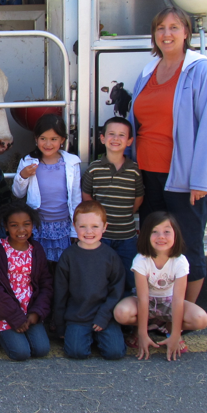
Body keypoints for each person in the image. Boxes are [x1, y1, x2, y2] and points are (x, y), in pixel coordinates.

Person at [128, 6, 207, 303]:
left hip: (184, 178)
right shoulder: (147, 72)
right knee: (153, 245)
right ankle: (158, 309)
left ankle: (183, 315)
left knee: (186, 245)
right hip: (149, 174)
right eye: (160, 28)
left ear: (186, 32)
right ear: (154, 35)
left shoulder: (200, 69)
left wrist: (200, 180)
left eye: (173, 27)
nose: (166, 34)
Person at [114, 212, 207, 360]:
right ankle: (143, 327)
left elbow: (178, 300)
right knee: (121, 313)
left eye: (167, 231)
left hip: (169, 302)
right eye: (154, 232)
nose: (161, 236)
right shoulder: (141, 260)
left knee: (201, 319)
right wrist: (142, 334)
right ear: (146, 235)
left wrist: (176, 335)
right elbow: (143, 298)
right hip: (148, 301)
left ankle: (170, 328)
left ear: (175, 235)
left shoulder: (180, 261)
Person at [53, 201, 126, 361]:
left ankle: (99, 337)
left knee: (115, 353)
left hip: (104, 315)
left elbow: (117, 289)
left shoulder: (110, 256)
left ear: (104, 227)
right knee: (76, 352)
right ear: (74, 226)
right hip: (78, 315)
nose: (89, 232)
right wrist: (60, 325)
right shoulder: (69, 256)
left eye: (94, 226)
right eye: (83, 226)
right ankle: (84, 337)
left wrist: (104, 315)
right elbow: (60, 292)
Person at [0, 203, 53, 361]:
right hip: (5, 312)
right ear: (6, 227)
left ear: (32, 225)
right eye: (14, 225)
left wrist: (36, 313)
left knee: (41, 349)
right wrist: (14, 316)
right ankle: (2, 335)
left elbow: (45, 283)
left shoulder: (36, 249)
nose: (21, 230)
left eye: (26, 224)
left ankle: (22, 329)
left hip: (30, 310)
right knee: (21, 353)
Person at [81, 116, 145, 290]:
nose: (116, 139)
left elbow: (138, 197)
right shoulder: (94, 169)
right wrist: (96, 221)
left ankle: (129, 308)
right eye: (111, 134)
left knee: (131, 277)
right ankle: (101, 307)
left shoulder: (134, 170)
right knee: (100, 276)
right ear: (102, 138)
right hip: (102, 237)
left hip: (127, 237)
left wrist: (127, 213)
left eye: (121, 135)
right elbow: (86, 195)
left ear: (130, 141)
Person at [11, 113, 82, 268]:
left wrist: (76, 230)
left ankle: (59, 292)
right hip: (38, 226)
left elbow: (76, 198)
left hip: (63, 226)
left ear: (62, 140)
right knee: (38, 265)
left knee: (62, 267)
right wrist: (22, 176)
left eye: (54, 139)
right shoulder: (29, 161)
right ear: (36, 139)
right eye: (43, 138)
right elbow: (18, 193)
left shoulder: (71, 163)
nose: (48, 143)